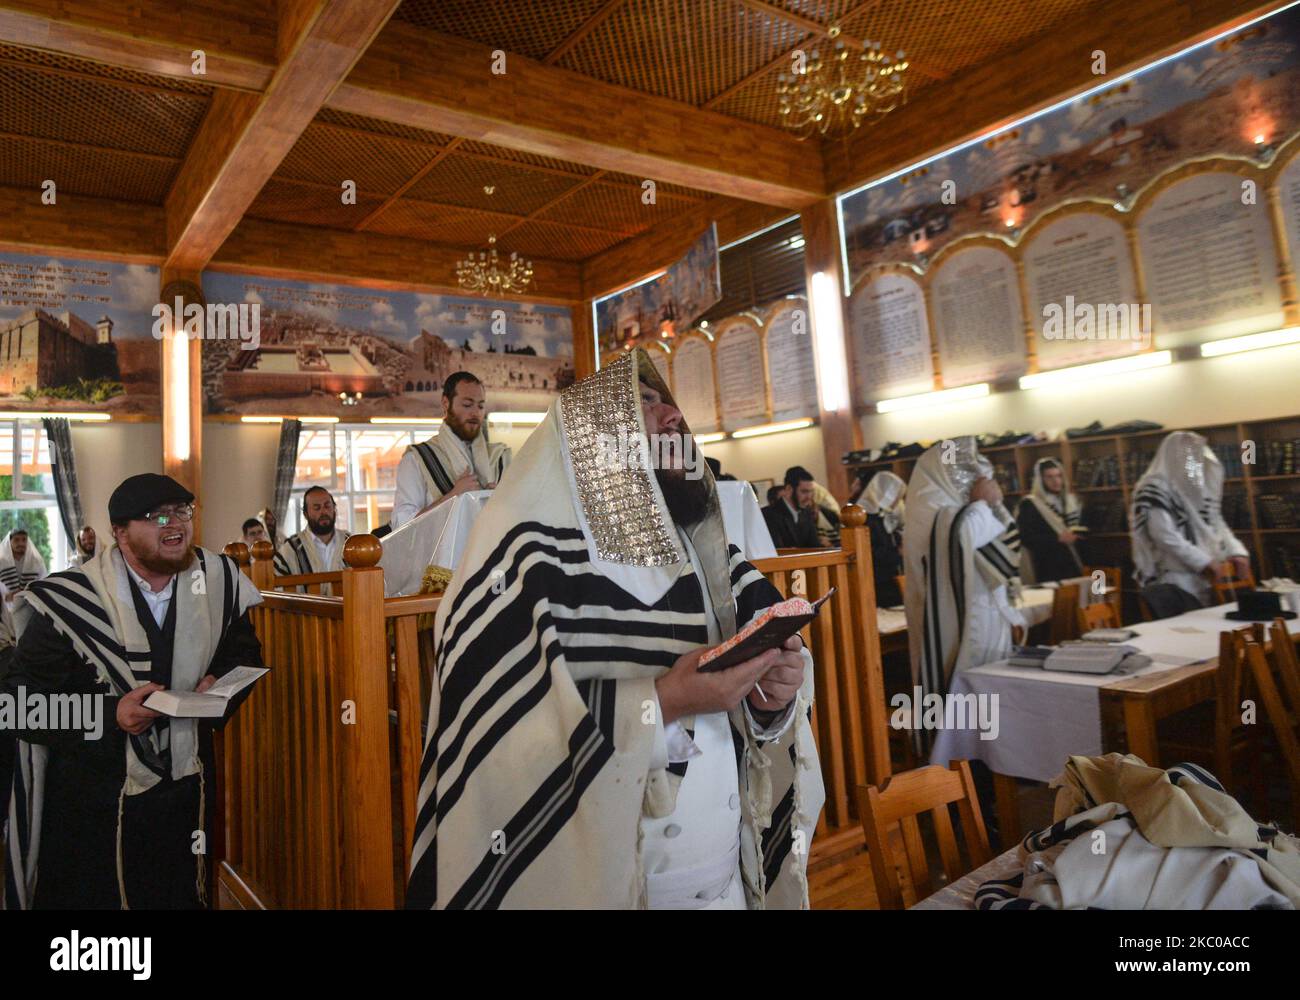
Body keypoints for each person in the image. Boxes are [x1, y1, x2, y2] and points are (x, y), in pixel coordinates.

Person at [405, 350, 824, 909]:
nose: (673, 415)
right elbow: (503, 749)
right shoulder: (523, 564)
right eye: (645, 402)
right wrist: (664, 702)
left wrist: (773, 698)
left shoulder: (707, 553)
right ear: (594, 433)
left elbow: (767, 703)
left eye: (670, 402)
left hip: (728, 885)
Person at [2, 473, 264, 909]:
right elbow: (16, 705)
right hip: (95, 802)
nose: (175, 524)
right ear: (119, 533)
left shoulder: (216, 580)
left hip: (188, 787)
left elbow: (246, 655)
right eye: (157, 516)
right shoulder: (70, 601)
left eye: (183, 511)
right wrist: (111, 716)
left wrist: (220, 685)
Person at [903, 437, 1025, 711]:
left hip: (985, 615)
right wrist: (982, 503)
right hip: (956, 623)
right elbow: (961, 539)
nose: (973, 480)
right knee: (962, 711)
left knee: (992, 709)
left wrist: (990, 505)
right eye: (966, 474)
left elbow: (1006, 542)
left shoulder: (963, 508)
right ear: (945, 474)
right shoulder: (930, 508)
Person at [1131, 430, 1250, 607]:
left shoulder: (1196, 488)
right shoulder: (1154, 488)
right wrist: (1203, 561)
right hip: (1176, 580)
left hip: (1207, 576)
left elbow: (1215, 521)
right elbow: (1163, 535)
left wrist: (1236, 552)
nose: (1194, 462)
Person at [391, 371, 510, 528]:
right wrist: (453, 496)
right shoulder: (417, 459)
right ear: (446, 404)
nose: (476, 412)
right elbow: (402, 525)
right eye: (467, 405)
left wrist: (502, 501)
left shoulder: (499, 457)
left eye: (481, 406)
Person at [273, 486, 351, 596]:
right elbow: (277, 591)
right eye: (317, 508)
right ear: (305, 514)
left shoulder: (351, 544)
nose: (323, 512)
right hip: (304, 612)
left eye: (327, 506)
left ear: (334, 509)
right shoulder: (290, 550)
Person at [1016, 458, 1085, 583]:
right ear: (1040, 480)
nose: (1056, 481)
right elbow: (1026, 537)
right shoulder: (1030, 504)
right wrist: (1057, 538)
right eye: (1049, 477)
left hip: (1076, 563)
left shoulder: (1072, 501)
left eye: (1058, 476)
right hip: (1048, 567)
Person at [858, 471, 907, 607]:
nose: (898, 501)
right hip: (877, 582)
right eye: (896, 496)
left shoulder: (883, 516)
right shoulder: (866, 519)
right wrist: (898, 551)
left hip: (890, 578)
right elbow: (870, 553)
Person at [0, 528, 46, 601]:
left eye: (24, 540)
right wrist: (6, 597)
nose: (21, 543)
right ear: (9, 542)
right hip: (6, 607)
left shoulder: (36, 561)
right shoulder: (1, 562)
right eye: (16, 540)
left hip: (31, 605)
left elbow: (43, 583)